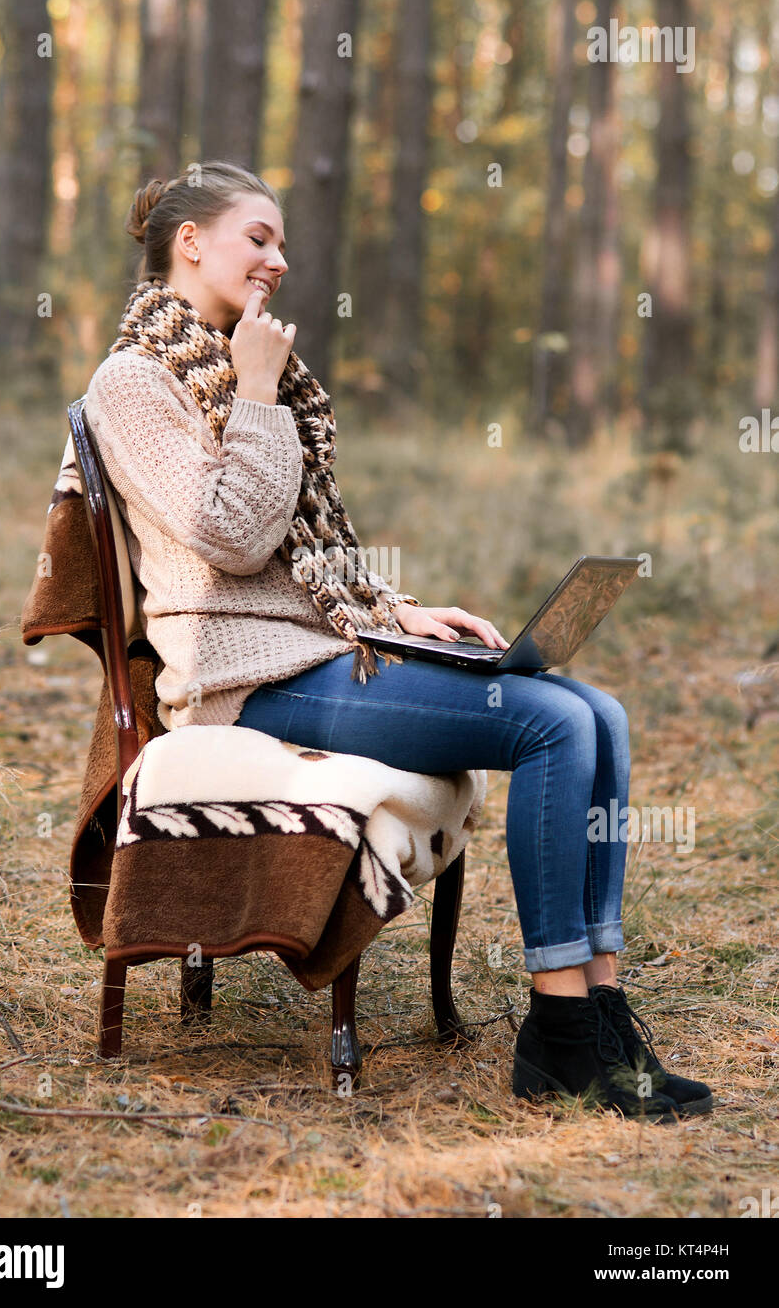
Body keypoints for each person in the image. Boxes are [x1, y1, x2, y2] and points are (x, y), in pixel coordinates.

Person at [84, 160, 712, 1122]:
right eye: (260, 238)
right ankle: (558, 1036)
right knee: (550, 724)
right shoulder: (132, 383)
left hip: (317, 654)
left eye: (283, 242)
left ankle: (602, 1005)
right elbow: (232, 536)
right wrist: (258, 393)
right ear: (190, 242)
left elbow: (302, 558)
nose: (280, 260)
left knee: (603, 714)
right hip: (247, 685)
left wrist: (398, 611)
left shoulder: (235, 370)